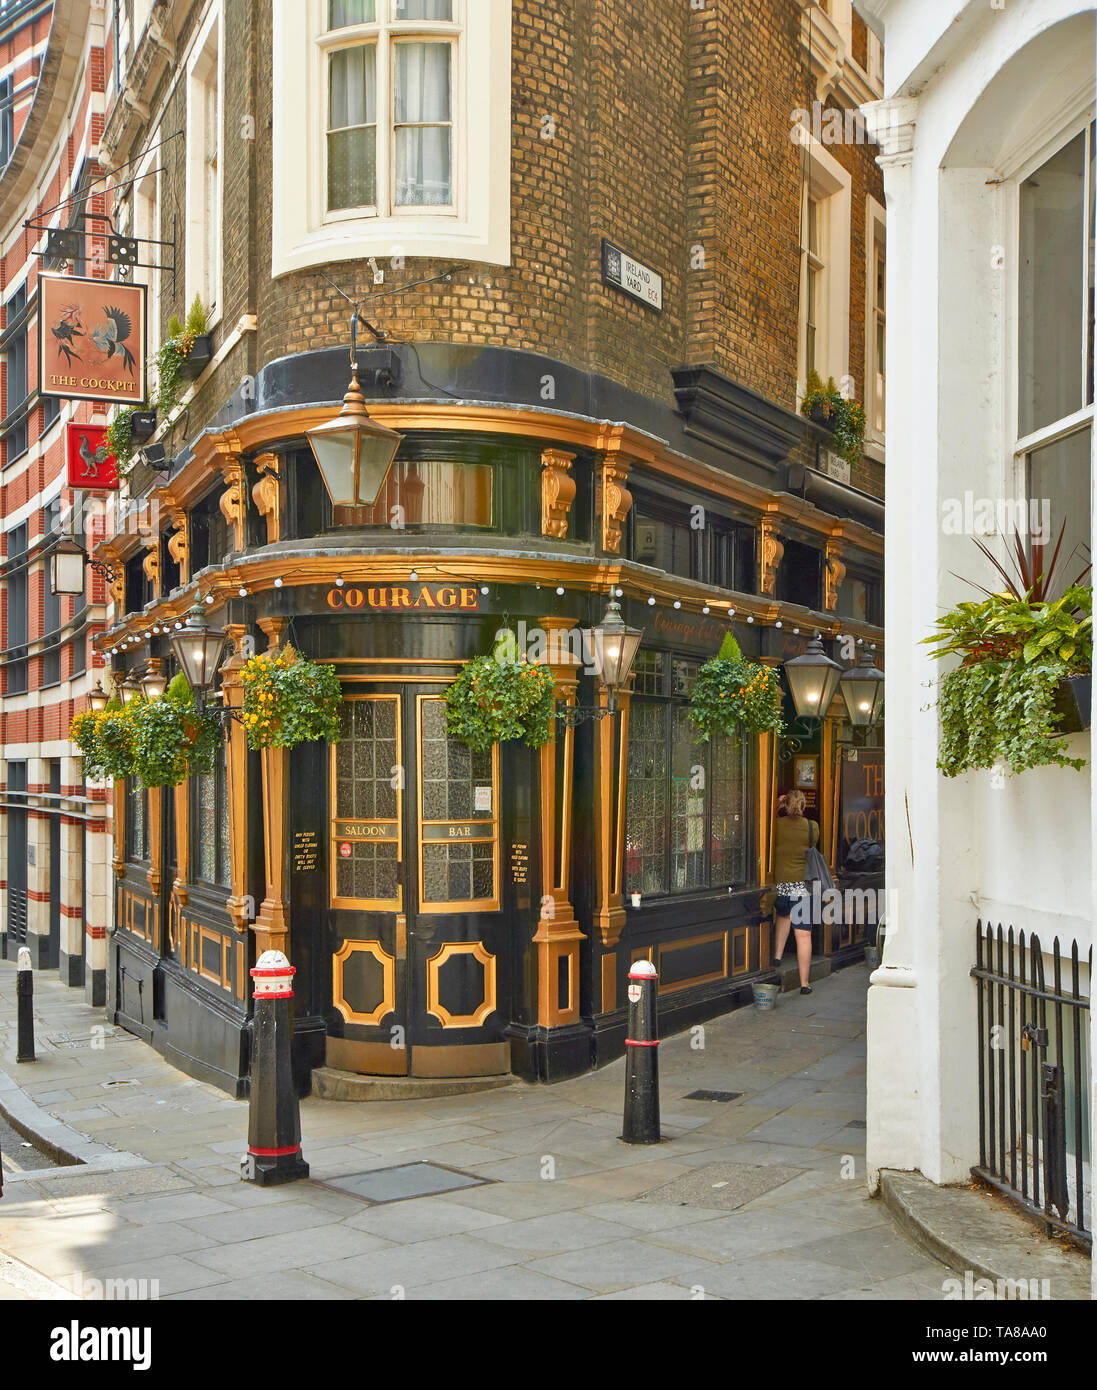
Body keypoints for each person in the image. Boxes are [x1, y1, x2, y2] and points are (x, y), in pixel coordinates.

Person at [770, 789, 819, 994]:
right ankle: (804, 983)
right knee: (803, 935)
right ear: (803, 806)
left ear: (785, 804)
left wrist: (776, 808)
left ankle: (778, 957)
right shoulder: (812, 827)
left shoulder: (776, 826)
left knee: (783, 917)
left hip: (780, 885)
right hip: (802, 887)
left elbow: (764, 830)